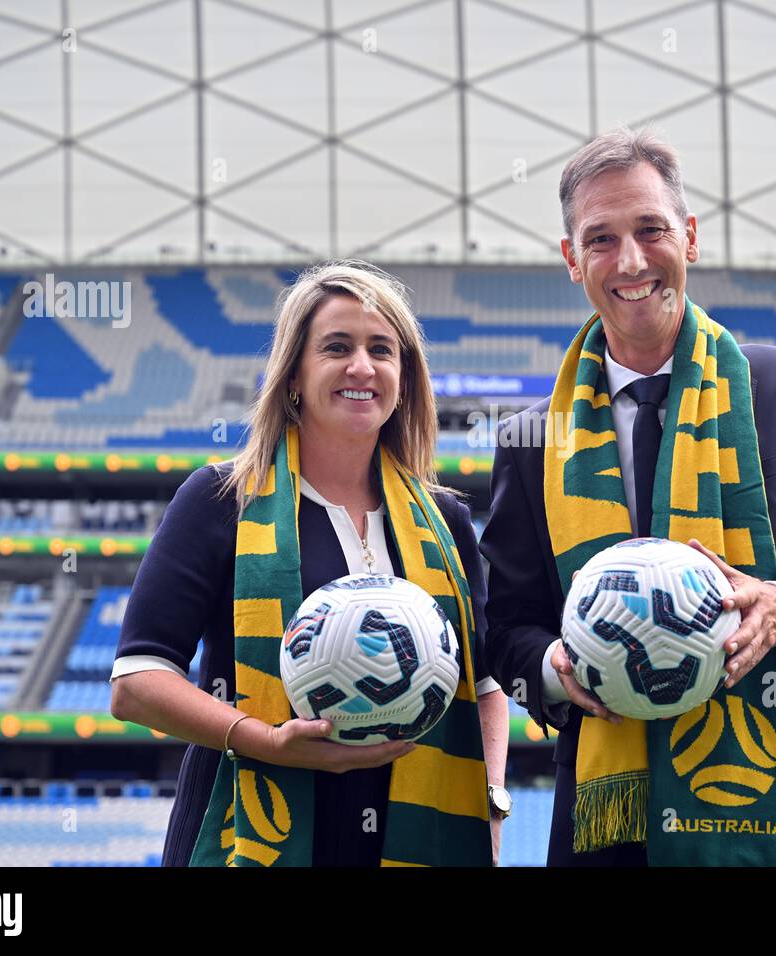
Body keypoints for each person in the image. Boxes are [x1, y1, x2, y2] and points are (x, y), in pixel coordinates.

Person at [481, 128, 776, 866]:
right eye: (600, 239)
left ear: (689, 238)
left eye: (650, 229)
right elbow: (508, 627)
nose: (630, 261)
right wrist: (559, 663)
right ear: (570, 261)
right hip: (620, 828)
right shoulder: (532, 439)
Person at [110, 261, 510, 867]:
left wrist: (492, 802)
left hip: (414, 838)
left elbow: (482, 685)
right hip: (247, 828)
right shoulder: (221, 501)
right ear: (295, 373)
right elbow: (136, 682)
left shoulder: (445, 519)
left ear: (404, 376)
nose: (362, 366)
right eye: (336, 347)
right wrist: (265, 742)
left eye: (382, 349)